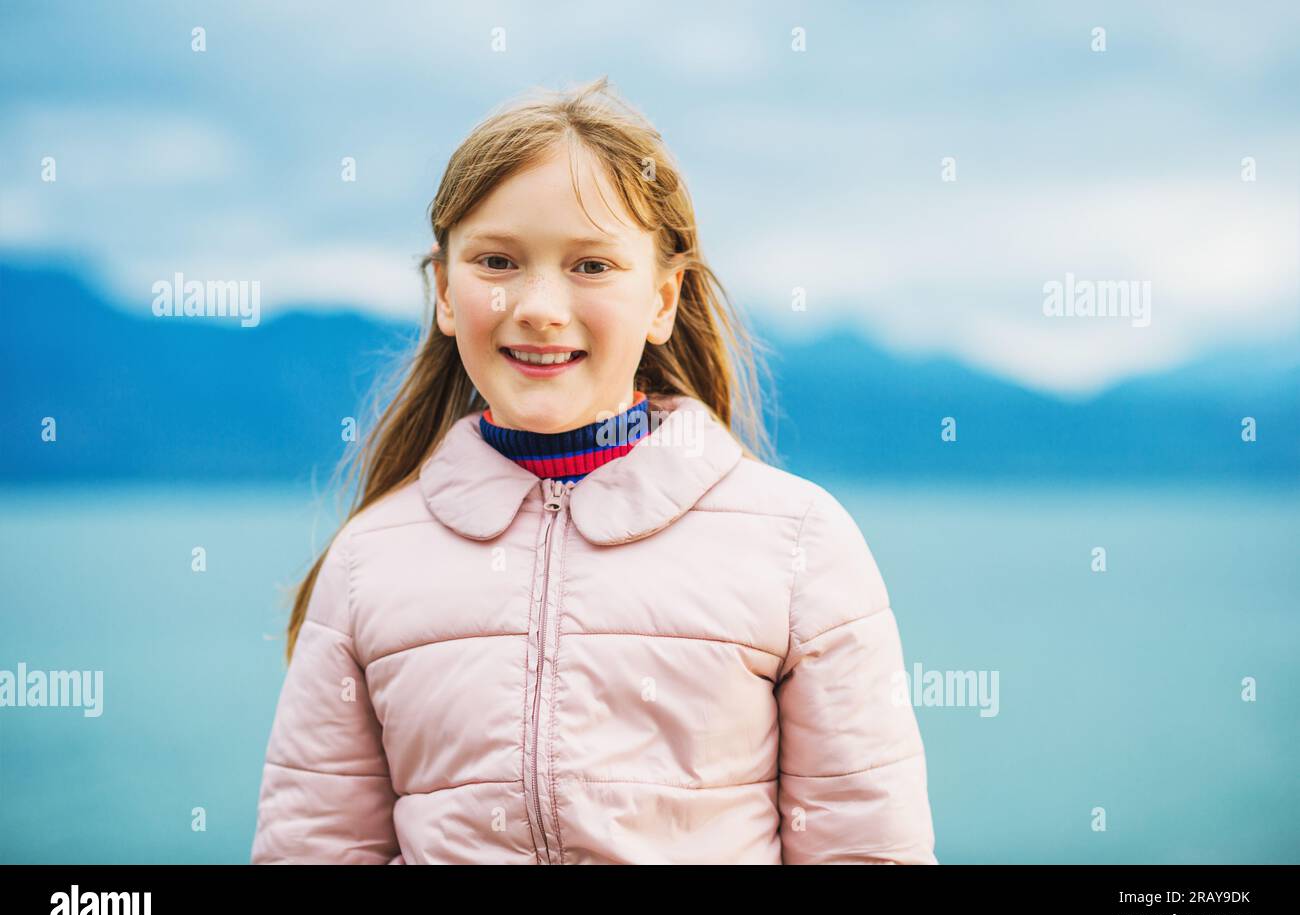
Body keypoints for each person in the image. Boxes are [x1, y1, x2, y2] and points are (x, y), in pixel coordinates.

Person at [250, 76, 937, 865]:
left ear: (663, 297)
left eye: (592, 265)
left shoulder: (798, 546)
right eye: (498, 260)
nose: (540, 304)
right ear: (444, 290)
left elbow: (866, 848)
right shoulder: (370, 561)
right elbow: (314, 848)